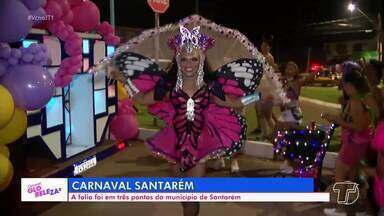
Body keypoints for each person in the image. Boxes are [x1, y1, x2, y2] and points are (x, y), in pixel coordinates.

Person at [107, 26, 263, 216]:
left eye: (194, 59)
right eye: (184, 59)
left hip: (200, 144)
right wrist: (124, 81)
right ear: (178, 60)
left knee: (192, 195)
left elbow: (234, 102)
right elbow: (143, 99)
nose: (189, 63)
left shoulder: (211, 87)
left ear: (202, 60)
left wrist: (257, 97)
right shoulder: (168, 86)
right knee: (182, 194)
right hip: (175, 144)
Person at [322, 70, 379, 216]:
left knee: (340, 173)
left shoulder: (356, 101)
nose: (343, 88)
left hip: (353, 142)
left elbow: (359, 127)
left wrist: (337, 120)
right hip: (361, 143)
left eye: (344, 84)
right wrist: (336, 117)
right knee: (352, 174)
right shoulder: (365, 98)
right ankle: (356, 206)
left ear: (350, 85)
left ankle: (340, 209)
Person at [276, 61, 314, 174]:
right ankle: (287, 160)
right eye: (288, 67)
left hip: (293, 113)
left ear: (296, 71)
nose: (289, 69)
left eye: (292, 68)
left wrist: (314, 72)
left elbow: (307, 79)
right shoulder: (282, 81)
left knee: (288, 138)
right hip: (285, 113)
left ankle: (290, 163)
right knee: (277, 134)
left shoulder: (296, 82)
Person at [252, 35, 278, 138]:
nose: (264, 46)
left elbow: (271, 72)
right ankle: (265, 133)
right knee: (260, 112)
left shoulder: (269, 58)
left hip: (266, 88)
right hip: (258, 86)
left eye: (266, 45)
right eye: (263, 45)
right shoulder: (257, 55)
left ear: (269, 48)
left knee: (267, 114)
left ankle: (276, 132)